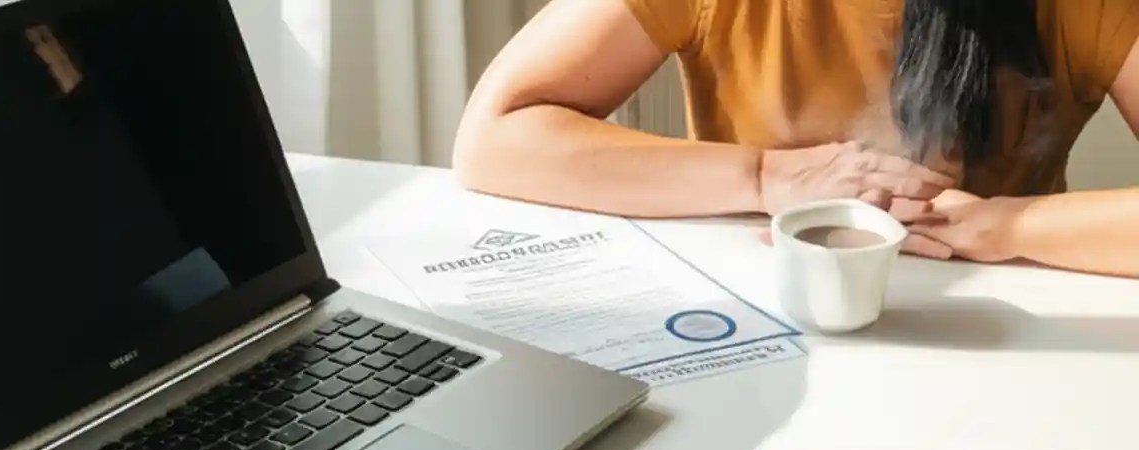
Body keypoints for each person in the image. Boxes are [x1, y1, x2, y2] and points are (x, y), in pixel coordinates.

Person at [454, 0, 1139, 277]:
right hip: (761, 318)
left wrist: (1000, 225)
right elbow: (496, 135)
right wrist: (765, 176)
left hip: (1007, 337)